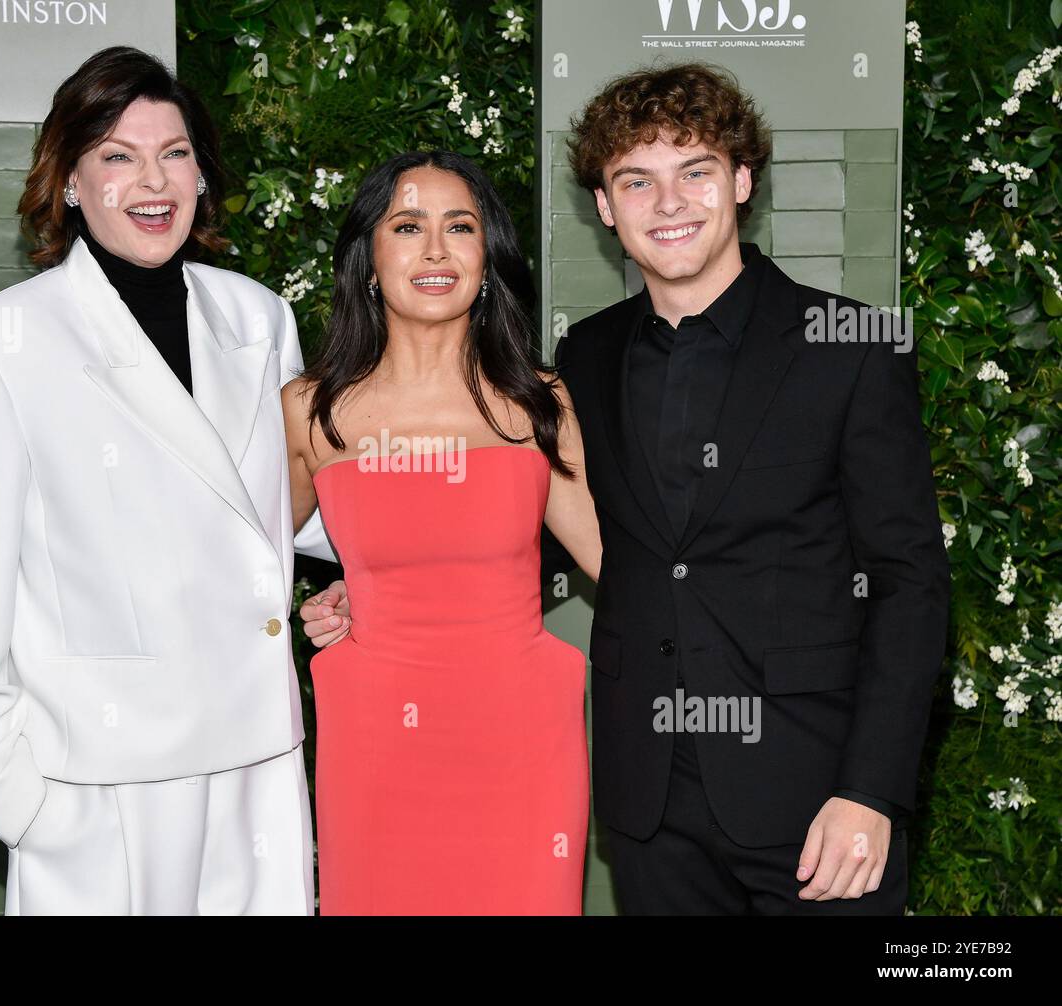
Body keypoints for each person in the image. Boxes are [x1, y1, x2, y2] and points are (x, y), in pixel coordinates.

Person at [304, 63, 950, 915]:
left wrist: (872, 793)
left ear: (743, 182)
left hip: (817, 801)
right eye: (637, 181)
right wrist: (381, 588)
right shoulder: (583, 365)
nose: (669, 203)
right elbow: (541, 537)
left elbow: (910, 584)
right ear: (606, 208)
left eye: (696, 172)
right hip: (647, 811)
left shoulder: (848, 348)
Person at [0, 46, 331, 915]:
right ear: (68, 181)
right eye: (118, 155)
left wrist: (401, 567)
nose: (154, 180)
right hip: (105, 790)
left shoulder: (258, 317)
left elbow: (284, 508)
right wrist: (31, 809)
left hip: (259, 763)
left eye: (174, 153)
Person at [281, 150, 601, 914]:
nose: (434, 250)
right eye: (407, 225)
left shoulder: (535, 404)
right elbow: (237, 568)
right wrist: (323, 600)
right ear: (369, 259)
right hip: (377, 752)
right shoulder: (312, 411)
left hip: (522, 752)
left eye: (460, 227)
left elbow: (620, 564)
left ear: (487, 258)